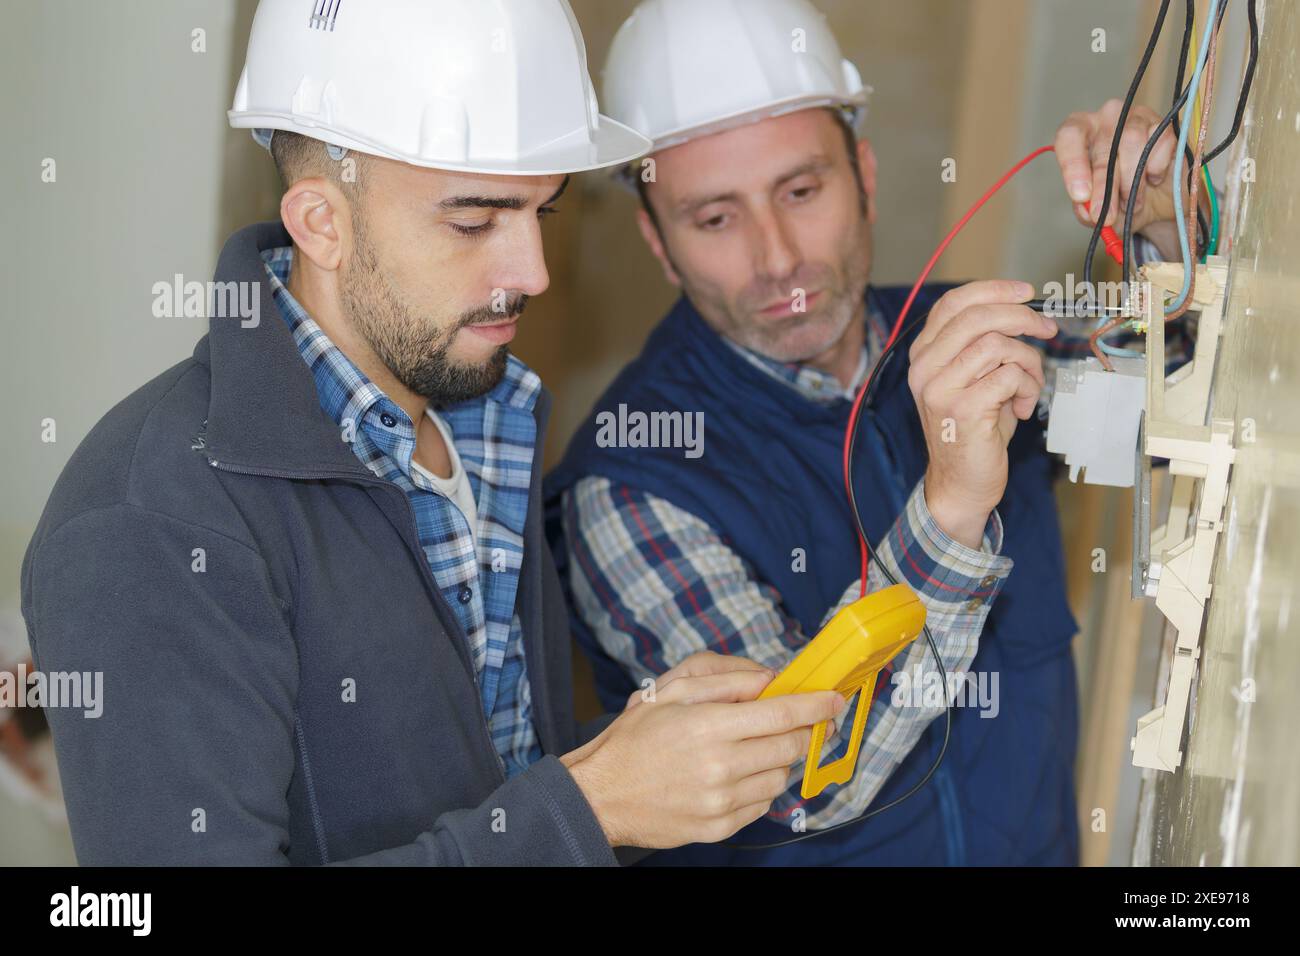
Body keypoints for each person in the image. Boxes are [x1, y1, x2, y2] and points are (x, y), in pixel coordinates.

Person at [19, 0, 845, 866]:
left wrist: (645, 756)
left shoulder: (487, 424)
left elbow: (483, 790)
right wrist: (592, 807)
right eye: (473, 222)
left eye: (542, 214)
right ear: (321, 224)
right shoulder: (150, 518)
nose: (531, 273)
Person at [547, 0, 1198, 865]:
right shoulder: (630, 483)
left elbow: (1178, 401)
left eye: (802, 190)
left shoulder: (968, 341)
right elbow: (795, 777)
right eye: (715, 218)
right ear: (658, 243)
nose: (777, 258)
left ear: (866, 174)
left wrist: (1164, 222)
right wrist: (951, 512)